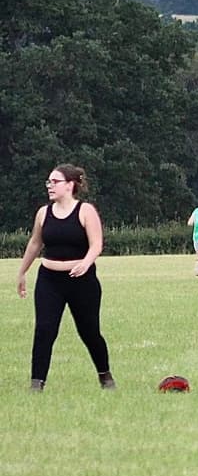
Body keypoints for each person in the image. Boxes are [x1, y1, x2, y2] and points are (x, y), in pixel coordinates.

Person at [16, 164, 115, 392]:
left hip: (82, 281)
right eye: (48, 182)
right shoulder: (43, 213)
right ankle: (36, 384)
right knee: (44, 330)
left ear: (70, 185)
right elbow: (35, 243)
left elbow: (96, 244)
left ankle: (105, 376)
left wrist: (85, 263)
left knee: (89, 331)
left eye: (55, 181)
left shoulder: (85, 211)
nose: (50, 186)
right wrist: (22, 272)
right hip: (49, 280)